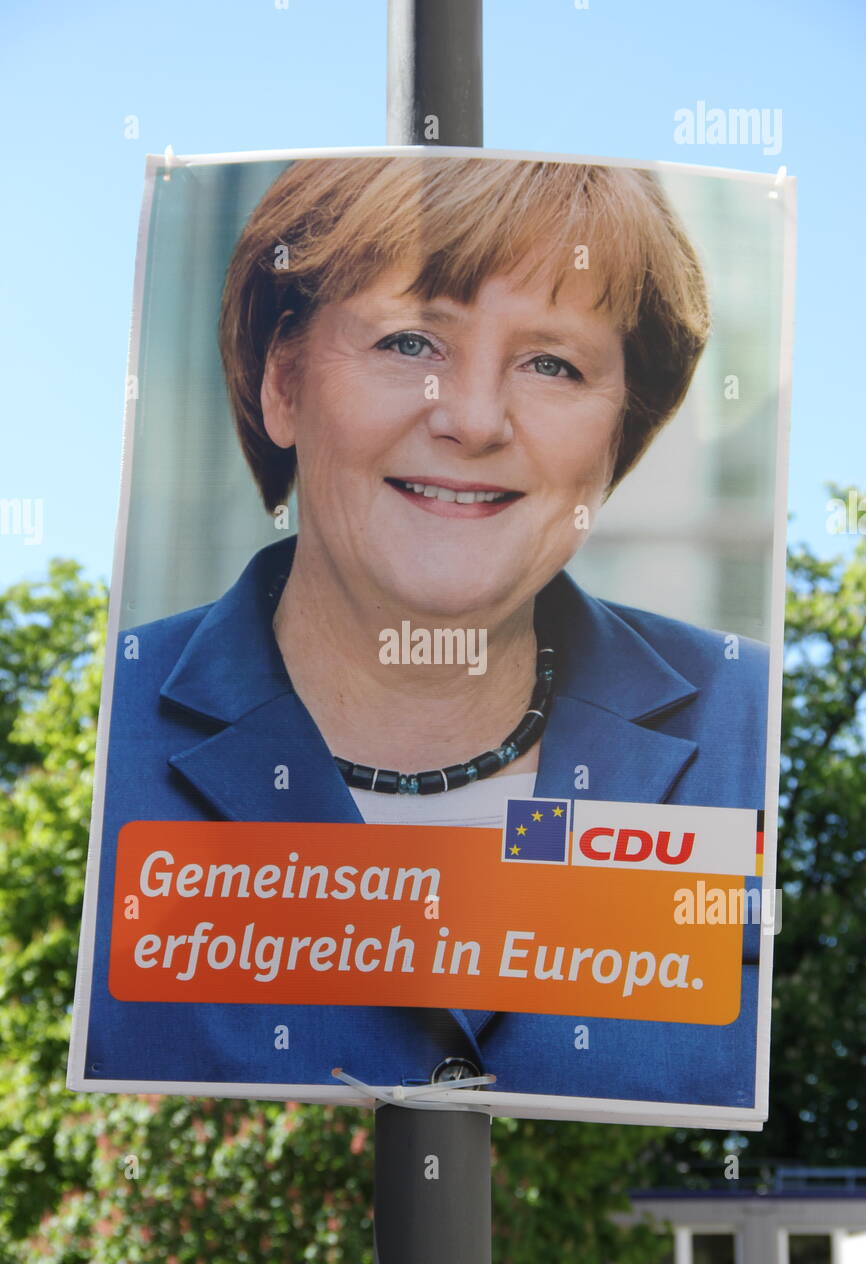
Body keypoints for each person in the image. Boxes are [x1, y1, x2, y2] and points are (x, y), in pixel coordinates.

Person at [84, 156, 768, 1106]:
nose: (477, 419)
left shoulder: (755, 727)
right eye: (411, 342)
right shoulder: (97, 729)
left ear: (617, 439)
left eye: (552, 363)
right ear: (283, 382)